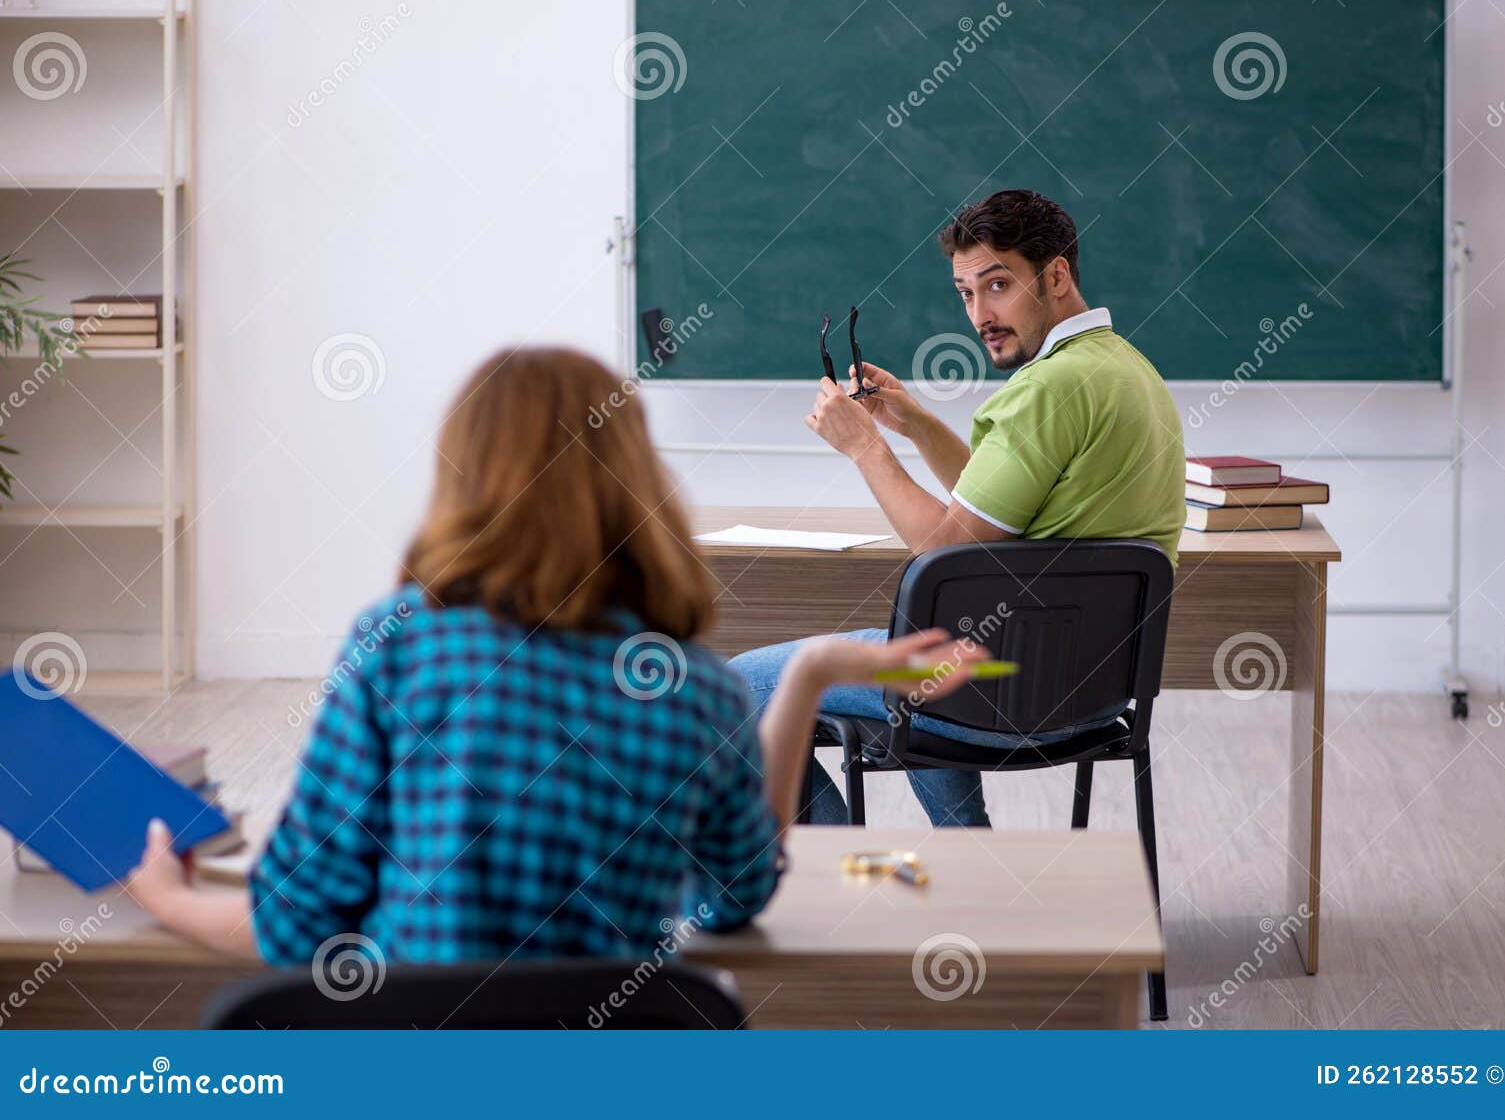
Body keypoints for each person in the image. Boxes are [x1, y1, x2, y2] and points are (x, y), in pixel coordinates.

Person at [126, 347, 983, 963]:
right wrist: (808, 677)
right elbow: (737, 900)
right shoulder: (695, 692)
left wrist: (166, 898)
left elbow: (296, 924)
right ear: (636, 483)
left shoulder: (396, 649)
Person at [730, 189, 1187, 829]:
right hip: (1092, 690)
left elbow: (950, 555)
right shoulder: (1128, 372)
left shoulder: (1045, 389)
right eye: (966, 293)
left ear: (1056, 275)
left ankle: (834, 882)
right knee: (926, 641)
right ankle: (970, 860)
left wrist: (866, 448)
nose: (980, 314)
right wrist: (914, 425)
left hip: (994, 689)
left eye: (997, 285)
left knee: (730, 695)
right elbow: (996, 508)